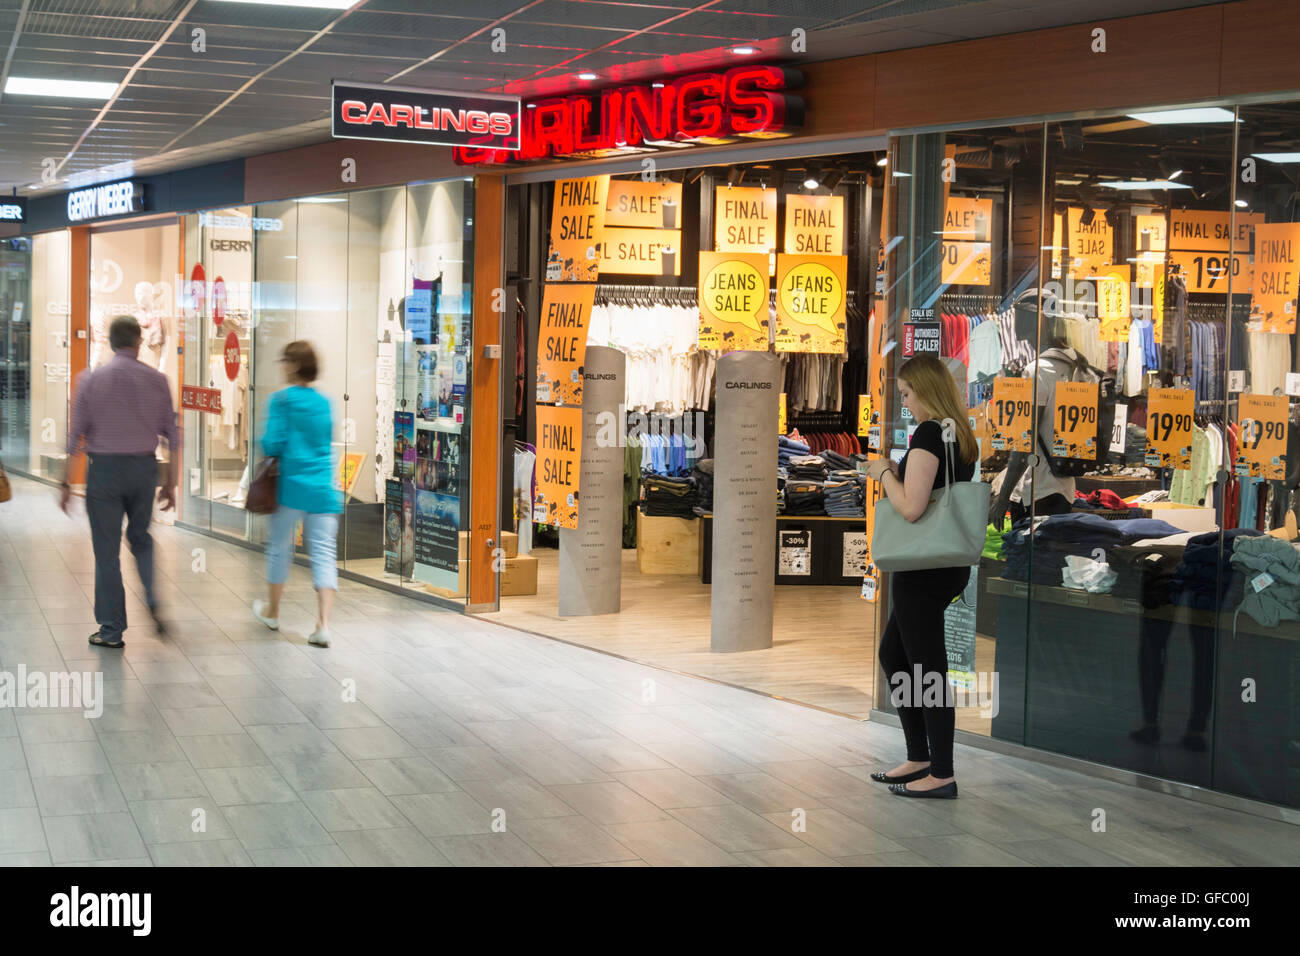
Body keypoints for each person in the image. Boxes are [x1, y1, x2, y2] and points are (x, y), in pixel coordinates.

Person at [863, 355, 979, 799]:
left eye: (908, 394)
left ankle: (942, 772)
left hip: (922, 567)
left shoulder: (931, 433)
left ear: (925, 391)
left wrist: (886, 472)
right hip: (942, 564)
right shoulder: (959, 434)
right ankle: (920, 756)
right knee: (895, 655)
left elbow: (911, 506)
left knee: (927, 669)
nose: (906, 402)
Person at [61, 314, 178, 648]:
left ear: (110, 343)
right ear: (138, 343)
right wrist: (170, 482)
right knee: (141, 538)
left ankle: (112, 630)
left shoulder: (90, 380)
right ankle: (154, 598)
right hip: (144, 470)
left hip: (105, 473)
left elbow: (75, 436)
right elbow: (172, 436)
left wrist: (65, 483)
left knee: (107, 553)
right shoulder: (157, 380)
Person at [251, 341, 341, 647]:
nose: (282, 367)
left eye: (284, 361)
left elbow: (271, 443)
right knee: (324, 554)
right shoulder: (325, 403)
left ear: (292, 365)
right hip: (323, 490)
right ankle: (323, 625)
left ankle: (273, 612)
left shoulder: (281, 401)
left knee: (279, 548)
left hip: (290, 488)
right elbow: (327, 440)